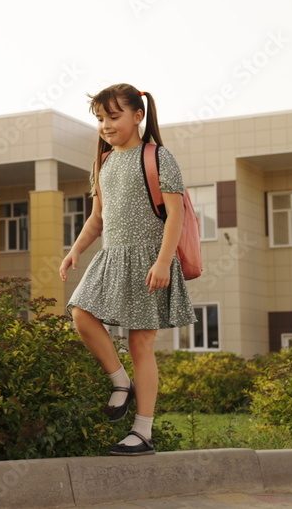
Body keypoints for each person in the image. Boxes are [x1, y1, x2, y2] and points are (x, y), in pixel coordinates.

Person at [59, 83, 196, 456]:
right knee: (80, 313)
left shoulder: (158, 157)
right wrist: (74, 251)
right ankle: (121, 382)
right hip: (112, 257)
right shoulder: (102, 164)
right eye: (100, 118)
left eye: (114, 117)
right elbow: (97, 218)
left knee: (140, 344)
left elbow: (176, 215)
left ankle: (142, 432)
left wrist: (163, 261)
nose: (106, 125)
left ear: (138, 116)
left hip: (151, 260)